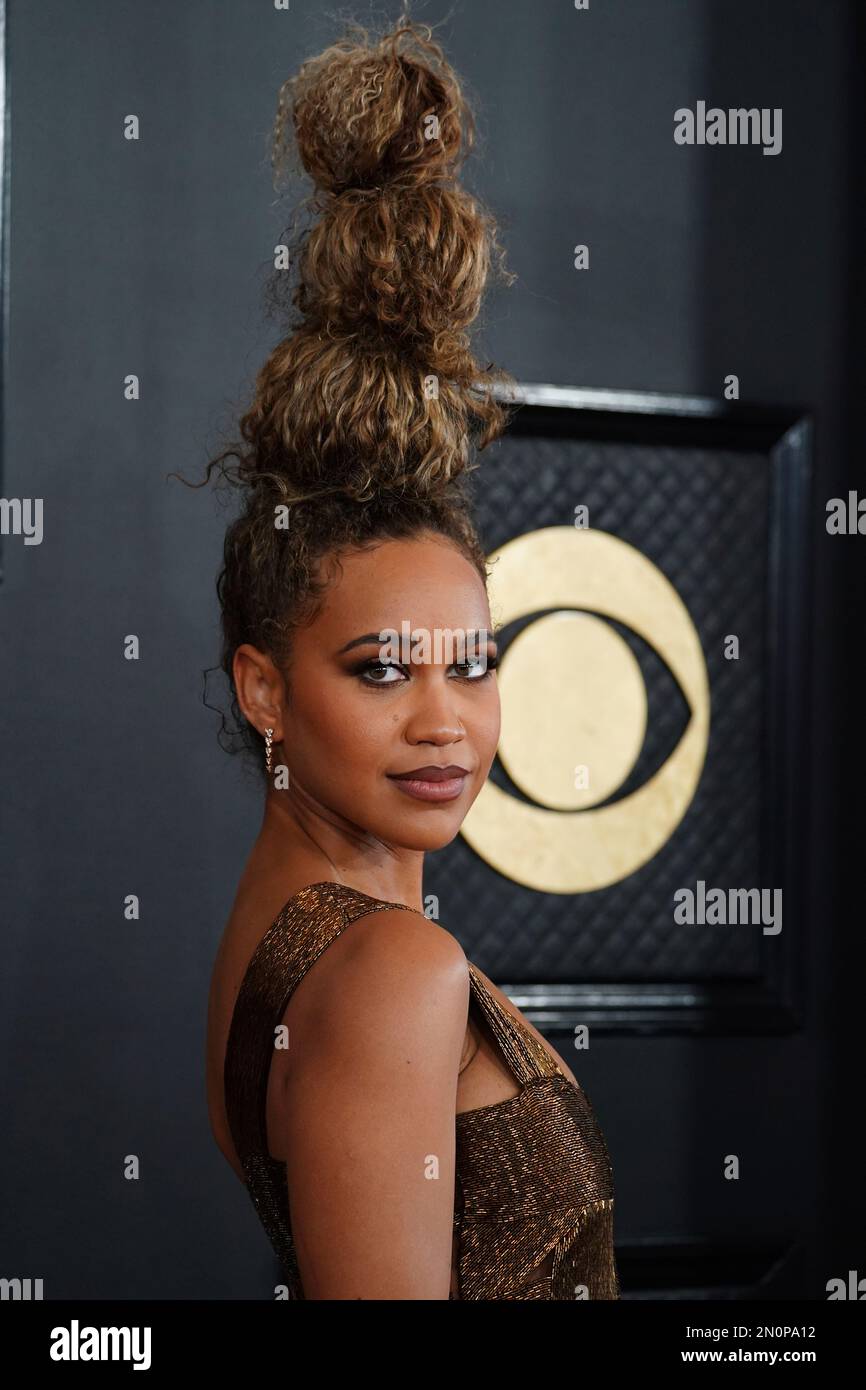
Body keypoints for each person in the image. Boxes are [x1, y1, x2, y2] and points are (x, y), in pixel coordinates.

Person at [202, 13, 620, 1300]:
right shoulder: (389, 968)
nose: (446, 721)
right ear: (263, 684)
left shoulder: (298, 932)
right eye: (383, 669)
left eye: (472, 662)